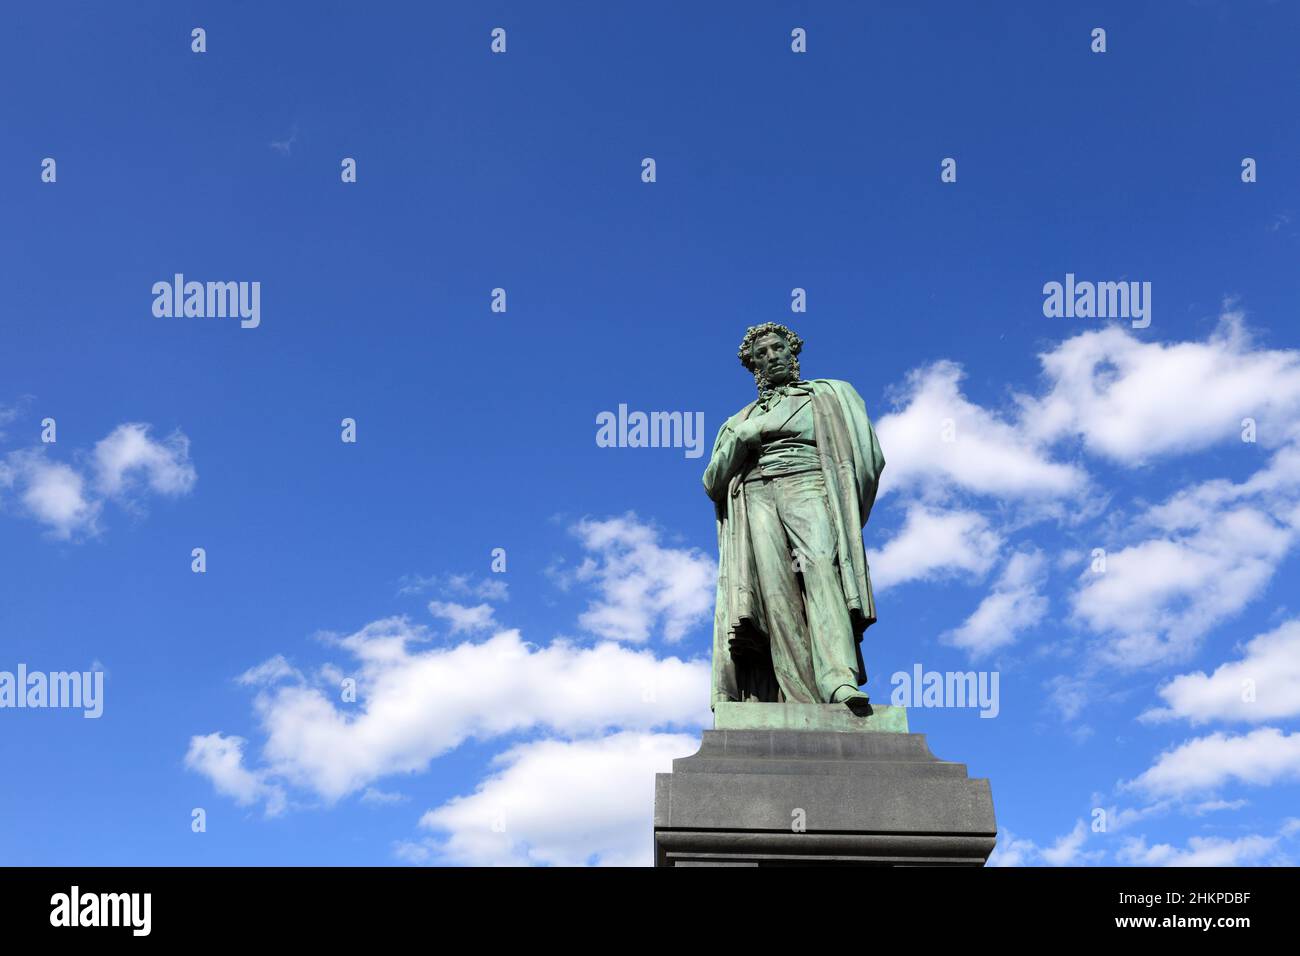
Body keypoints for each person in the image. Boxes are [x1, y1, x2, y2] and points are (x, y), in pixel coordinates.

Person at [703, 323, 885, 708]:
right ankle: (797, 695)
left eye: (778, 348)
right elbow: (712, 481)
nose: (772, 357)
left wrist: (848, 509)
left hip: (809, 483)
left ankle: (838, 679)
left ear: (793, 351)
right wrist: (742, 439)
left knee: (821, 567)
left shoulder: (829, 395)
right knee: (775, 593)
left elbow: (869, 460)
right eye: (762, 354)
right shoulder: (737, 421)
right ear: (753, 365)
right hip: (757, 495)